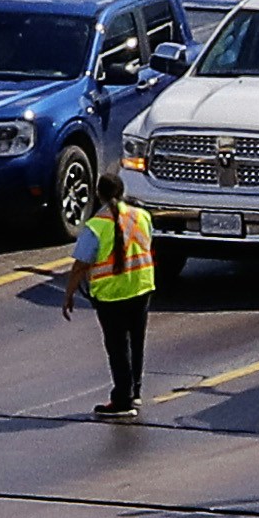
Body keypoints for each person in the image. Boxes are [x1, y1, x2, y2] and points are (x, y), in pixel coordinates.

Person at [68, 176, 157, 415]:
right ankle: (135, 392)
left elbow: (80, 265)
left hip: (110, 295)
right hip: (141, 287)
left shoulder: (97, 226)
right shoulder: (142, 216)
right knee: (136, 342)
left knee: (117, 347)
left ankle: (122, 400)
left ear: (99, 194)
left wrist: (69, 294)